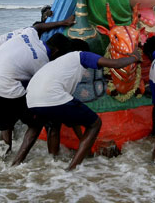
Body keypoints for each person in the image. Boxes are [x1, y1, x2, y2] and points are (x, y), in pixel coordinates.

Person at [12, 39, 142, 170]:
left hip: (32, 99)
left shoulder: (57, 64)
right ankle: (72, 169)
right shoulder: (82, 55)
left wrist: (83, 142)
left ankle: (21, 164)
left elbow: (73, 118)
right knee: (95, 123)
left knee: (44, 126)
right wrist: (134, 57)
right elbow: (116, 64)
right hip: (52, 97)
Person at [0, 11, 72, 135]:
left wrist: (63, 22)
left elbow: (37, 27)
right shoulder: (36, 54)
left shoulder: (27, 33)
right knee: (4, 106)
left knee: (0, 108)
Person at [0, 28, 73, 152]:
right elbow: (44, 91)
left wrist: (62, 23)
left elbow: (37, 27)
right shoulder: (42, 62)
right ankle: (19, 162)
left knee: (5, 124)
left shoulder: (29, 35)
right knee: (37, 122)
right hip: (2, 88)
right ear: (56, 52)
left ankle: (2, 157)